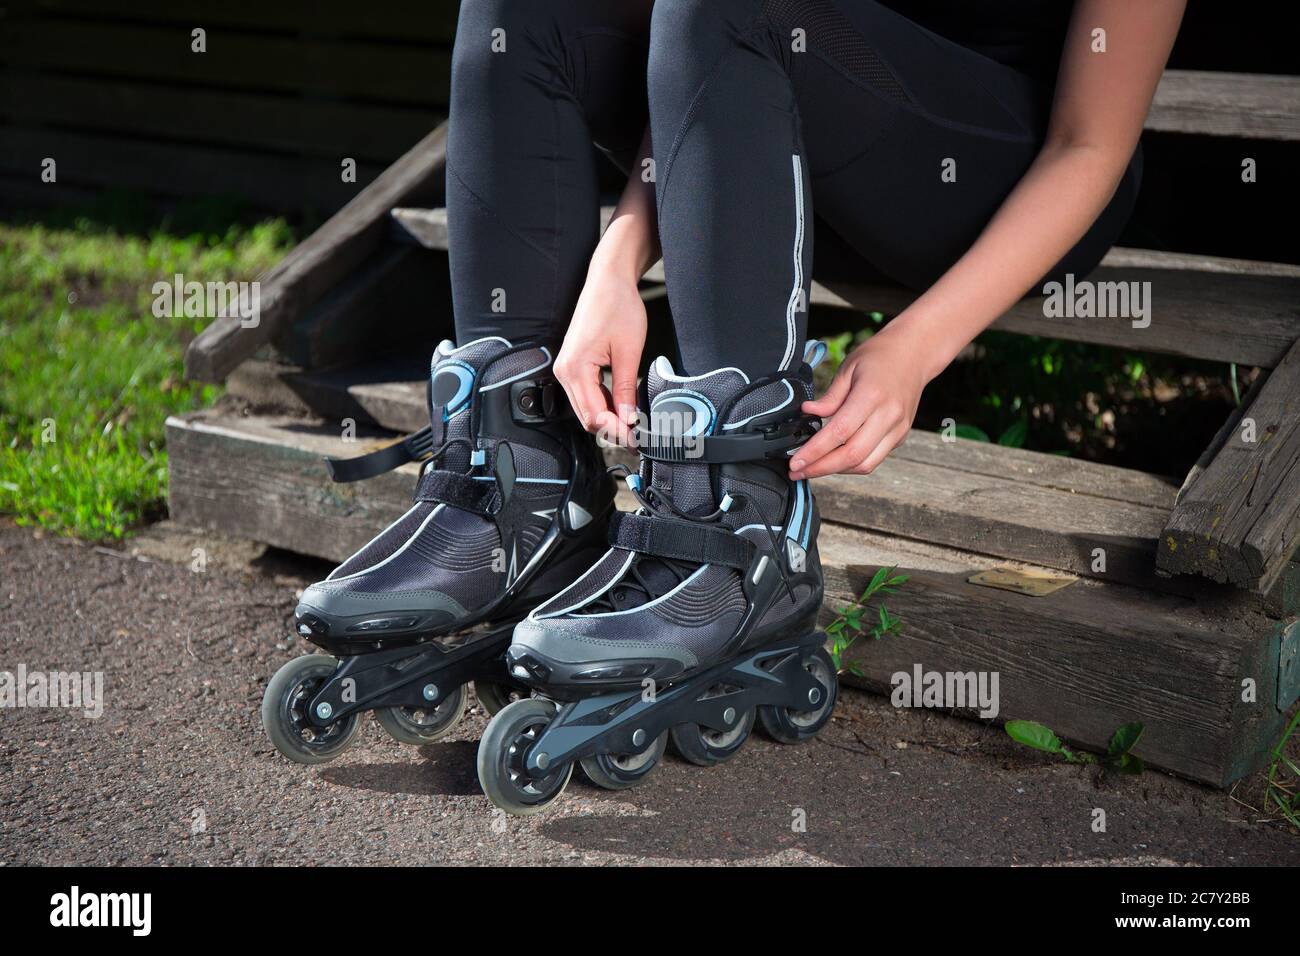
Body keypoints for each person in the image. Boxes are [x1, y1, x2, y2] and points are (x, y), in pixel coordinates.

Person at [285, 1, 1186, 776]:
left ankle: (748, 539)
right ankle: (523, 489)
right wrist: (623, 253)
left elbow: (1090, 145)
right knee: (521, 11)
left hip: (1010, 178)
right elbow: (710, 43)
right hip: (804, 135)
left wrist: (916, 346)